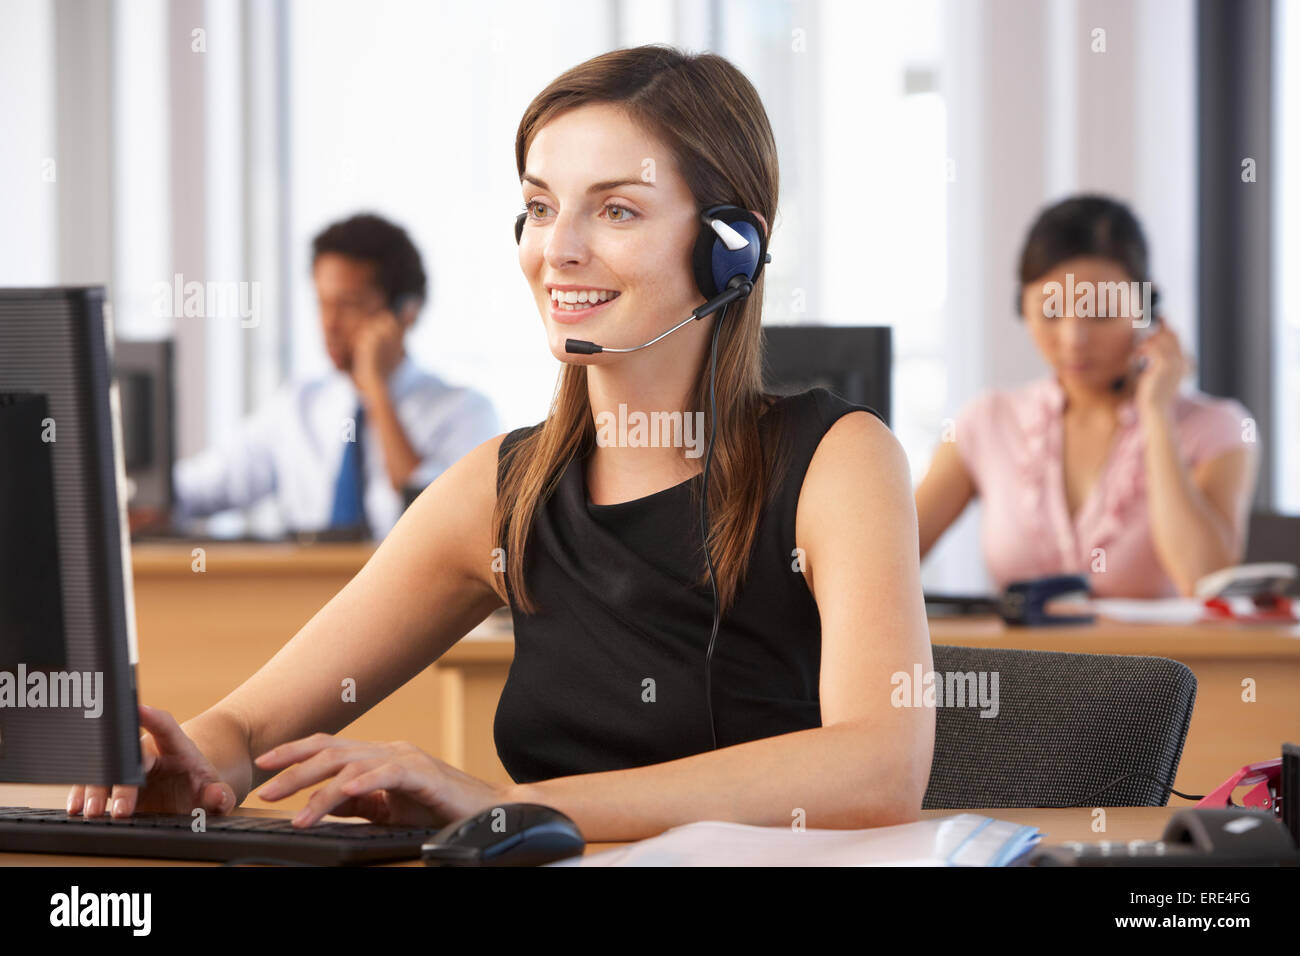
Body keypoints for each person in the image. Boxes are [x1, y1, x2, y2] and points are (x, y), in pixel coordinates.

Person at [68, 46, 932, 842]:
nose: (558, 250)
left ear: (729, 250)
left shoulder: (835, 461)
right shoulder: (504, 488)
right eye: (540, 207)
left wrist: (513, 806)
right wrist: (193, 761)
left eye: (616, 210)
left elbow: (879, 767)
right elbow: (253, 728)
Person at [915, 195, 1258, 598]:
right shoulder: (986, 421)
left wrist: (1157, 414)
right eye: (1050, 313)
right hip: (1021, 664)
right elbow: (885, 556)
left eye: (1100, 314)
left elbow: (1203, 579)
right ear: (1021, 307)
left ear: (1146, 311)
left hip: (1159, 662)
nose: (1074, 339)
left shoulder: (1217, 427)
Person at [168, 212, 500, 539]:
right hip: (308, 592)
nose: (329, 324)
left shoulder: (464, 411)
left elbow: (437, 515)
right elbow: (194, 489)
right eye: (323, 303)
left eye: (350, 305)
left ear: (405, 313)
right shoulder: (297, 405)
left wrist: (376, 393)